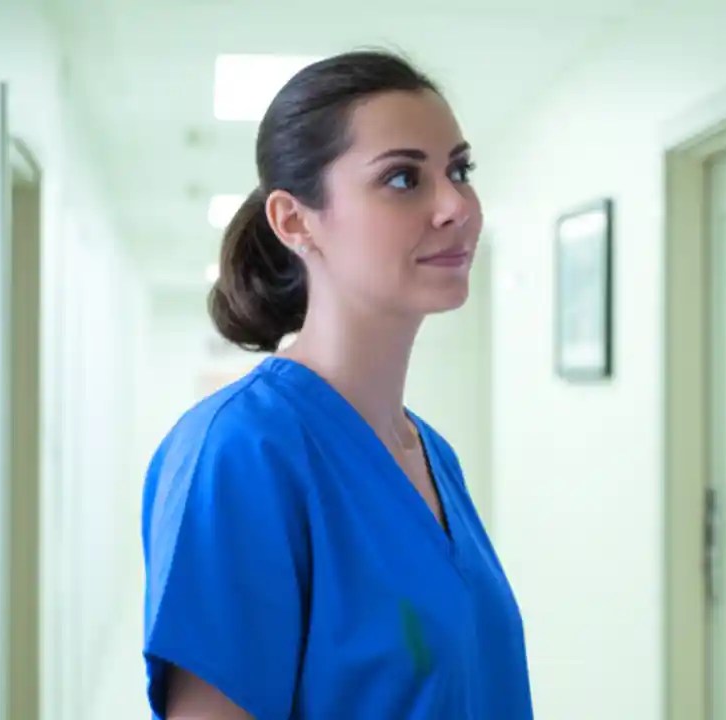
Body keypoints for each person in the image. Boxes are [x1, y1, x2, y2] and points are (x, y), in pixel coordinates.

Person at [139, 50, 533, 719]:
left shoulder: (431, 455)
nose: (456, 207)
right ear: (295, 221)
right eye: (403, 178)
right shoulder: (239, 453)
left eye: (459, 171)